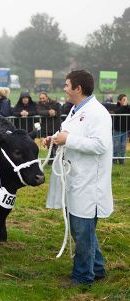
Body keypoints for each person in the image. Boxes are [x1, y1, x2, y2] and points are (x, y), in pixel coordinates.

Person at [45, 70, 113, 286]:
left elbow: (100, 145)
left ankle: (83, 277)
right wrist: (55, 139)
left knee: (82, 231)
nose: (64, 89)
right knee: (82, 229)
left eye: (66, 85)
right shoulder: (76, 109)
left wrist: (69, 139)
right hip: (74, 180)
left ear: (78, 88)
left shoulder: (98, 113)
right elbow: (70, 133)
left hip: (88, 183)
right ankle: (98, 268)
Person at [112, 94, 129, 164]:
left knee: (123, 145)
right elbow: (117, 112)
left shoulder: (128, 108)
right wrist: (123, 106)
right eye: (124, 100)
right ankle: (114, 160)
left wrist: (125, 106)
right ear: (119, 101)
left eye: (126, 99)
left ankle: (122, 160)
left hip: (125, 131)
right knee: (116, 145)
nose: (126, 101)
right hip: (117, 131)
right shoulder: (116, 107)